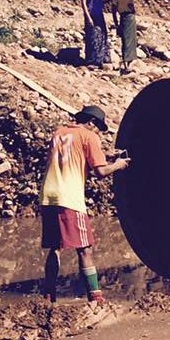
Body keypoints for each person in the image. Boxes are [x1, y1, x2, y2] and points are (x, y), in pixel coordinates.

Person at [39, 106, 130, 303]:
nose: (98, 132)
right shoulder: (90, 136)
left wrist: (105, 156)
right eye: (98, 128)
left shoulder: (59, 133)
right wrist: (118, 165)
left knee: (55, 247)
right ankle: (95, 297)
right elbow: (100, 172)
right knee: (85, 248)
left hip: (48, 195)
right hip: (69, 197)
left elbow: (74, 156)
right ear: (91, 122)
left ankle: (48, 295)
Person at [80, 0, 109, 67]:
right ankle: (91, 60)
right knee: (92, 36)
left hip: (99, 14)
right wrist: (87, 17)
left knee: (102, 35)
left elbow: (101, 2)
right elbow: (84, 3)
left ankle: (100, 59)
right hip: (91, 14)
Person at [110, 0, 138, 73]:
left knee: (132, 40)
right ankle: (125, 62)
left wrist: (131, 6)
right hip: (124, 19)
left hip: (131, 19)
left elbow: (133, 11)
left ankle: (130, 62)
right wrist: (116, 24)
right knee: (126, 40)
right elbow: (114, 13)